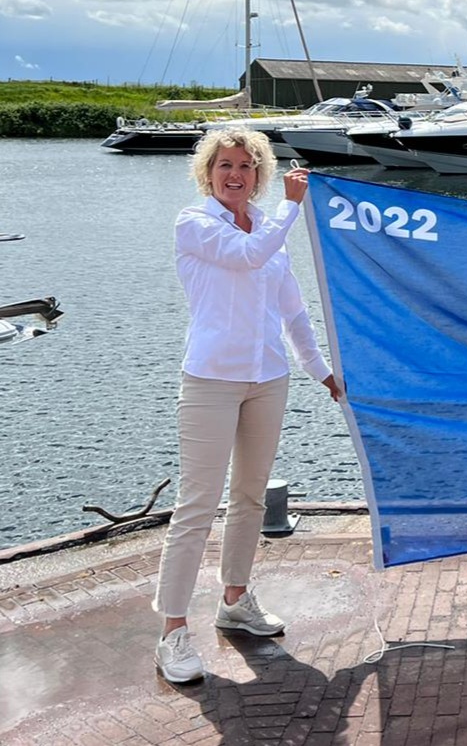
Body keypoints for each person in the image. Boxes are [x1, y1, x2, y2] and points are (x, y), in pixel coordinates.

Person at [153, 127, 341, 684]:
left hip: (268, 380)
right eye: (224, 165)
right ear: (207, 173)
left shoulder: (267, 228)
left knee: (250, 498)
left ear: (258, 175)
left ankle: (235, 600)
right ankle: (172, 632)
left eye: (245, 165)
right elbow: (249, 256)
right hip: (210, 380)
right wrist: (290, 206)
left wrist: (324, 372)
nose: (234, 174)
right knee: (196, 507)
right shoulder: (195, 224)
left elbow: (295, 314)